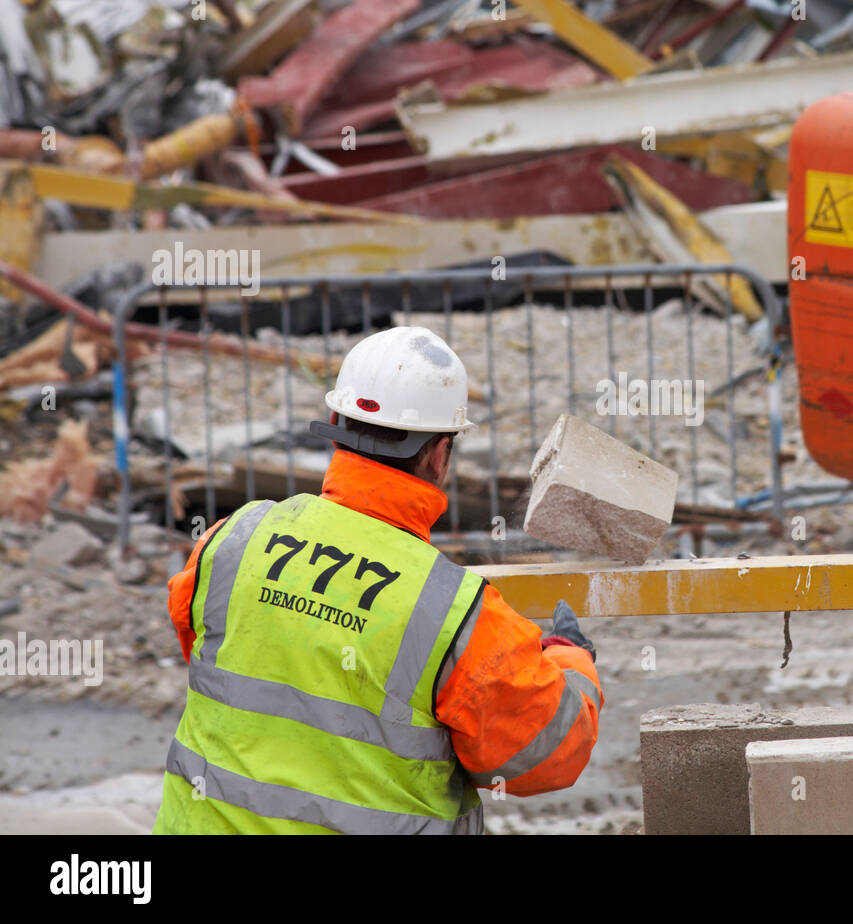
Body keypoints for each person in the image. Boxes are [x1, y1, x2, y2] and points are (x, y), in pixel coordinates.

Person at [154, 325, 602, 834]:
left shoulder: (232, 541)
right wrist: (571, 657)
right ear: (438, 454)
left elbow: (211, 654)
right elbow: (545, 754)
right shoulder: (452, 612)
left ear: (332, 422)